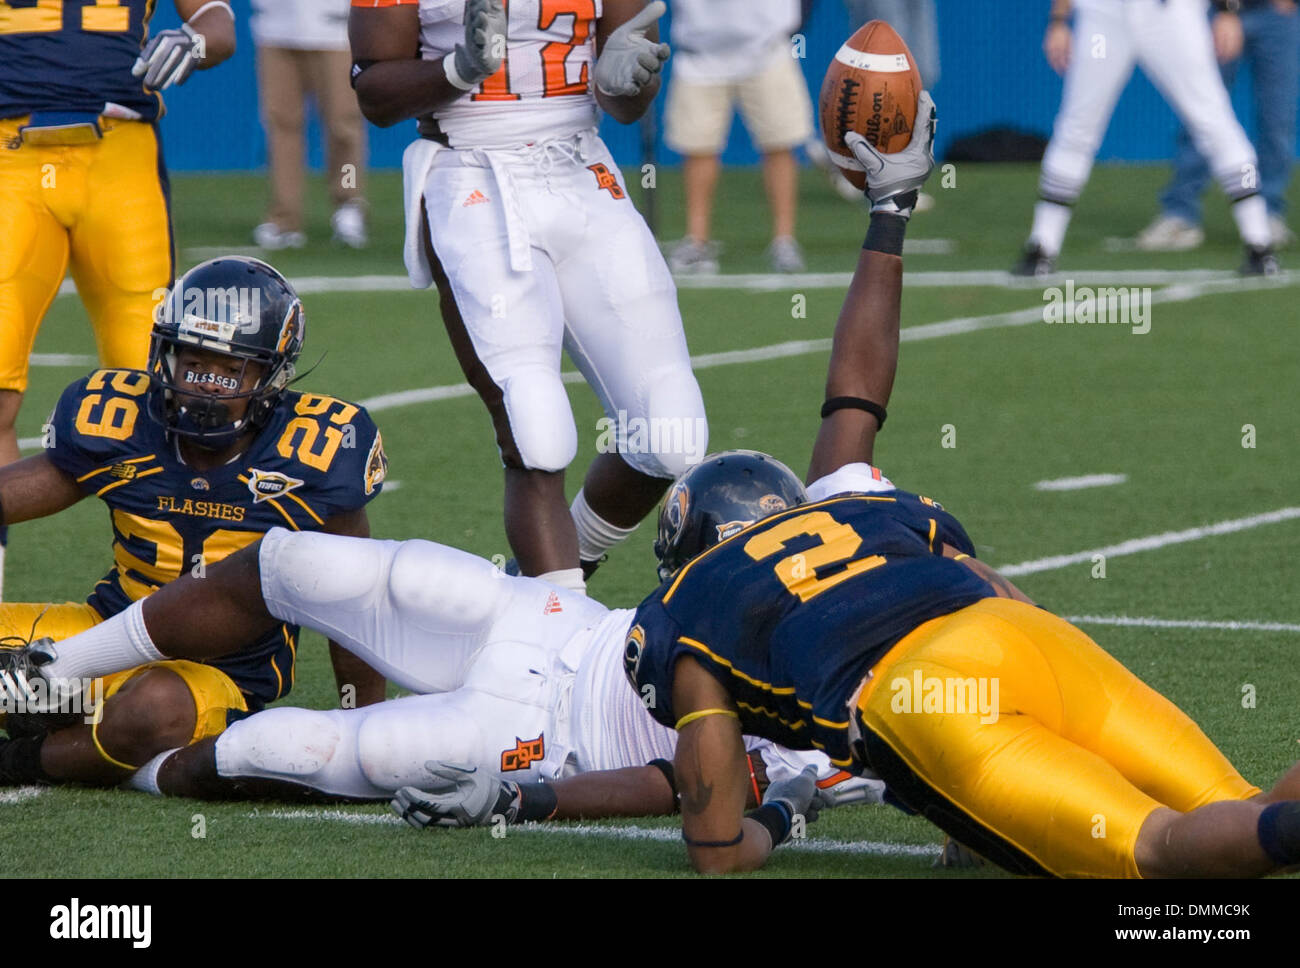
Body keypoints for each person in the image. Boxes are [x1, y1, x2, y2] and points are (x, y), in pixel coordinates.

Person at [0, 458, 878, 819]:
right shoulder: (804, 570)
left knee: (272, 747)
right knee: (296, 561)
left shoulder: (811, 702)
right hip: (550, 621)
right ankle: (48, 675)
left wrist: (521, 801)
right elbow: (852, 415)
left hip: (542, 741)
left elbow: (676, 784)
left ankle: (48, 763)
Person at [348, 0, 708, 594]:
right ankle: (559, 625)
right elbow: (375, 92)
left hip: (583, 170)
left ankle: (542, 590)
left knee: (671, 436)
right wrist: (458, 69)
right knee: (535, 425)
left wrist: (627, 83)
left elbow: (626, 95)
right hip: (471, 173)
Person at [0, 257, 386, 789]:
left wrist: (363, 726)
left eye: (229, 369)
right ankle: (71, 719)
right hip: (101, 634)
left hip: (216, 674)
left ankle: (21, 761)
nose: (206, 383)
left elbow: (353, 599)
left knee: (152, 709)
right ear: (166, 355)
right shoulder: (121, 424)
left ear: (272, 374)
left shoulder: (313, 454)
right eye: (194, 362)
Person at [0, 0, 237, 596]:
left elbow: (217, 22)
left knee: (164, 396)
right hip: (9, 156)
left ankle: (168, 606)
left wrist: (194, 42)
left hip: (120, 158)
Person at [1013, 0, 1279, 277]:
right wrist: (1058, 20)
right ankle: (1042, 246)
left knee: (1214, 122)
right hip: (1104, 15)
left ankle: (1259, 244)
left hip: (1169, 13)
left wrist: (1228, 10)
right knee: (1077, 126)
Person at [1135, 0, 1299, 252]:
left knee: (1277, 122)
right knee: (1201, 117)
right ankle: (1180, 214)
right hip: (1217, 14)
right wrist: (1228, 9)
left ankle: (1268, 213)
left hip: (1277, 16)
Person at [663, 0, 814, 274]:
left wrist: (795, 22)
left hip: (768, 48)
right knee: (698, 148)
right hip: (699, 51)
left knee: (779, 144)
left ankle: (784, 241)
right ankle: (697, 242)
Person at [250, 0, 369, 250]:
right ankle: (284, 216)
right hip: (275, 27)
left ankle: (349, 202)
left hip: (336, 29)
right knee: (282, 124)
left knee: (343, 125)